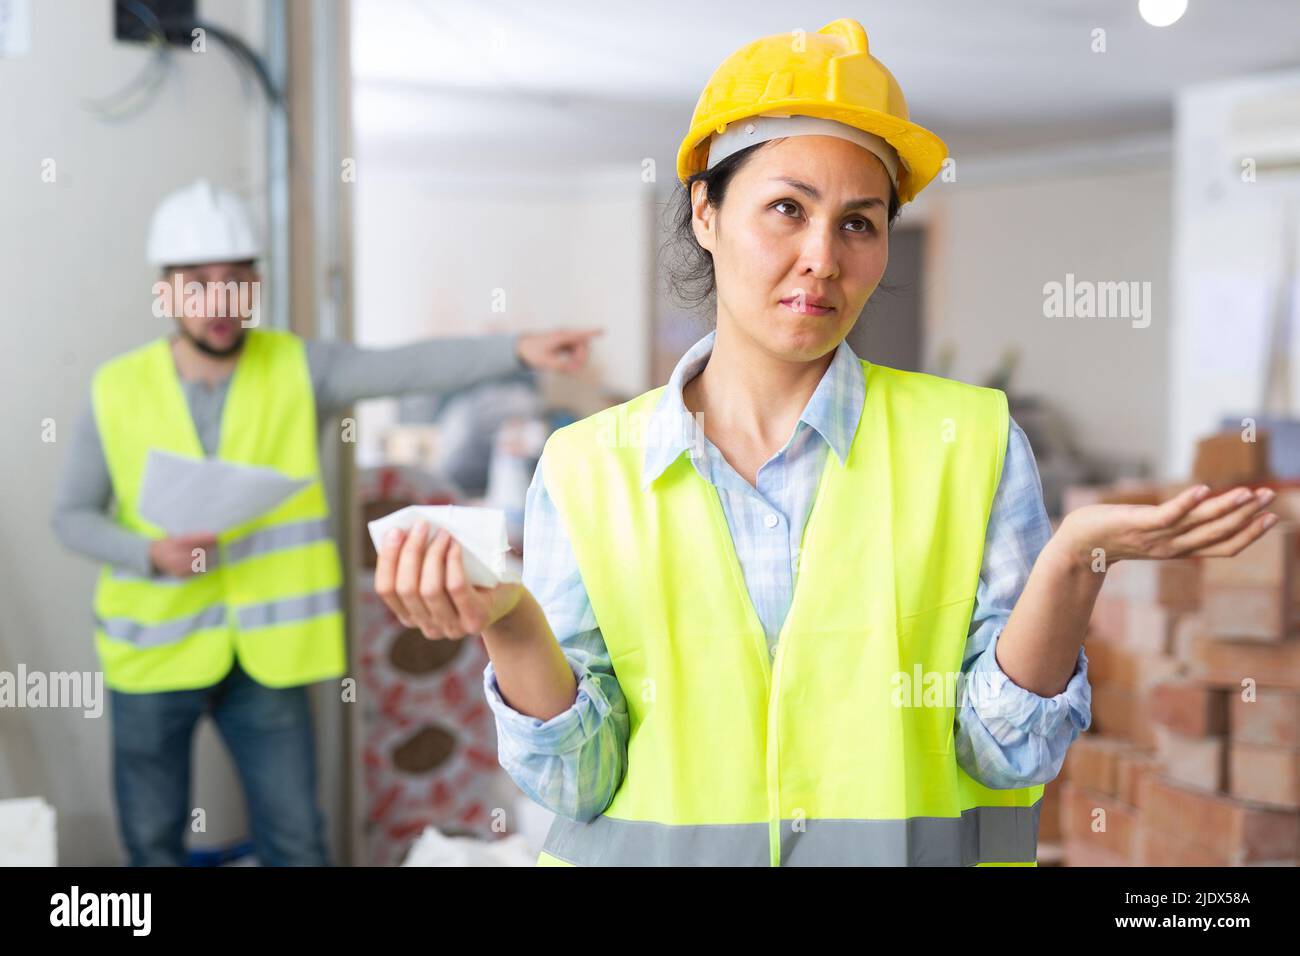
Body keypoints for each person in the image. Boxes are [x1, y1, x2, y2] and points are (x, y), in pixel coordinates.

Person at [373, 20, 1281, 866]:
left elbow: (1006, 755)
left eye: (859, 221)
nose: (823, 256)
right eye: (786, 209)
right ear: (705, 213)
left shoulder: (972, 442)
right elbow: (579, 777)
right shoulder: (584, 468)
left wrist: (1072, 564)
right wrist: (511, 623)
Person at [51, 179, 598, 866]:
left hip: (270, 661)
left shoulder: (299, 367)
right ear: (168, 292)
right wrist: (149, 553)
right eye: (198, 284)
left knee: (297, 844)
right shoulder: (116, 387)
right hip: (152, 656)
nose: (220, 301)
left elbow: (404, 367)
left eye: (235, 280)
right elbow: (70, 517)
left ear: (255, 284)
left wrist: (517, 351)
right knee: (153, 844)